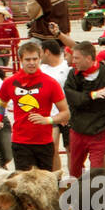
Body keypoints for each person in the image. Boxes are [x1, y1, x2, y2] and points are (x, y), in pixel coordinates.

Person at [0, 41, 67, 172]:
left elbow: (65, 112)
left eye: (35, 59)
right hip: (20, 142)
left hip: (44, 142)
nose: (32, 63)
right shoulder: (10, 82)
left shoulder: (51, 83)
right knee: (24, 185)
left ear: (40, 58)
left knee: (43, 184)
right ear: (20, 59)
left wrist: (48, 120)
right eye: (27, 59)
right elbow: (0, 103)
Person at [63, 40, 105, 179]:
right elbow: (72, 97)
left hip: (99, 130)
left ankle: (97, 198)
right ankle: (77, 198)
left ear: (89, 58)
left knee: (96, 171)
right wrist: (93, 95)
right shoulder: (73, 75)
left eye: (77, 58)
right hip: (77, 129)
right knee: (74, 169)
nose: (73, 61)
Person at [40, 40, 72, 172]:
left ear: (47, 52)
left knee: (71, 149)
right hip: (50, 114)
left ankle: (73, 178)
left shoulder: (67, 67)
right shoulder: (41, 69)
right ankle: (57, 178)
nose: (39, 56)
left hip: (67, 113)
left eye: (40, 53)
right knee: (51, 147)